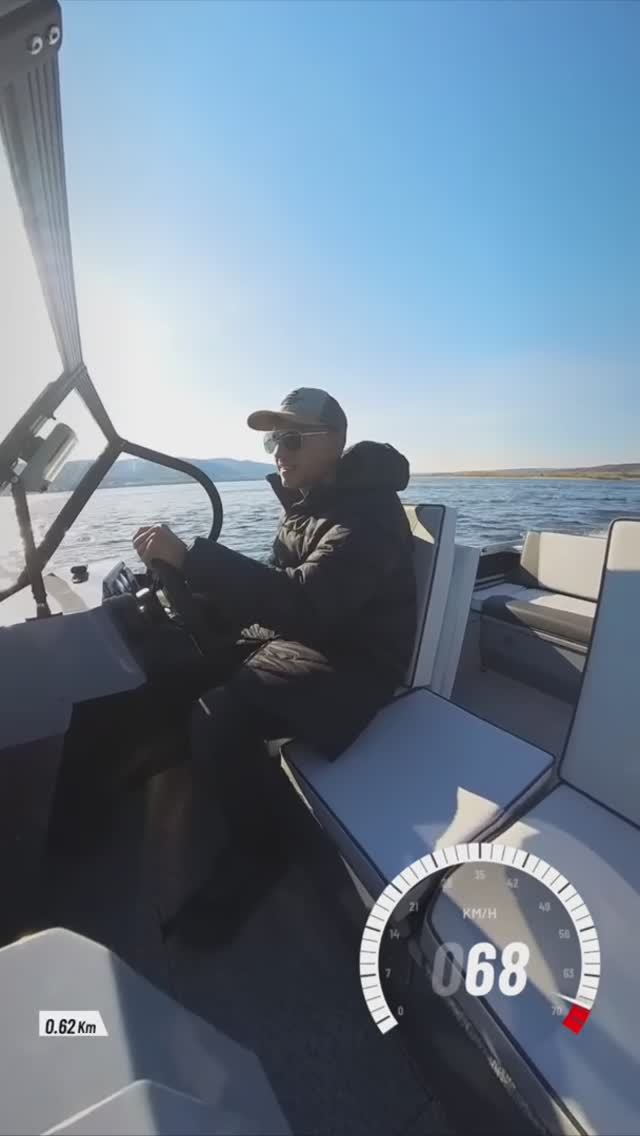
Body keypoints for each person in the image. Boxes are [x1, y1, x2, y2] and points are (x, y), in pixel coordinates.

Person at [132, 388, 417, 946]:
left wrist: (192, 558)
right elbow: (272, 588)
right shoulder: (310, 507)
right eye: (271, 442)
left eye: (289, 439)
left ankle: (259, 851)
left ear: (333, 442)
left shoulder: (369, 514)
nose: (278, 453)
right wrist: (191, 587)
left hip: (353, 665)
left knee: (219, 714)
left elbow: (307, 602)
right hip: (303, 640)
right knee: (173, 667)